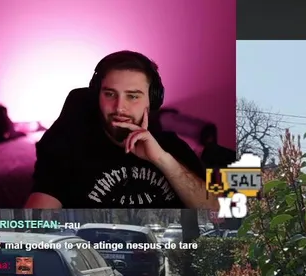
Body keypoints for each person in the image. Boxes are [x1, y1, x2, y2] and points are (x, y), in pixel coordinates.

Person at [25, 51, 216, 209]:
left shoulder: (173, 148)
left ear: (152, 101)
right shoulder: (68, 149)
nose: (119, 108)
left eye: (133, 96)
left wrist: (162, 160)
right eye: (109, 94)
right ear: (97, 96)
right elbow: (36, 225)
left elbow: (217, 215)